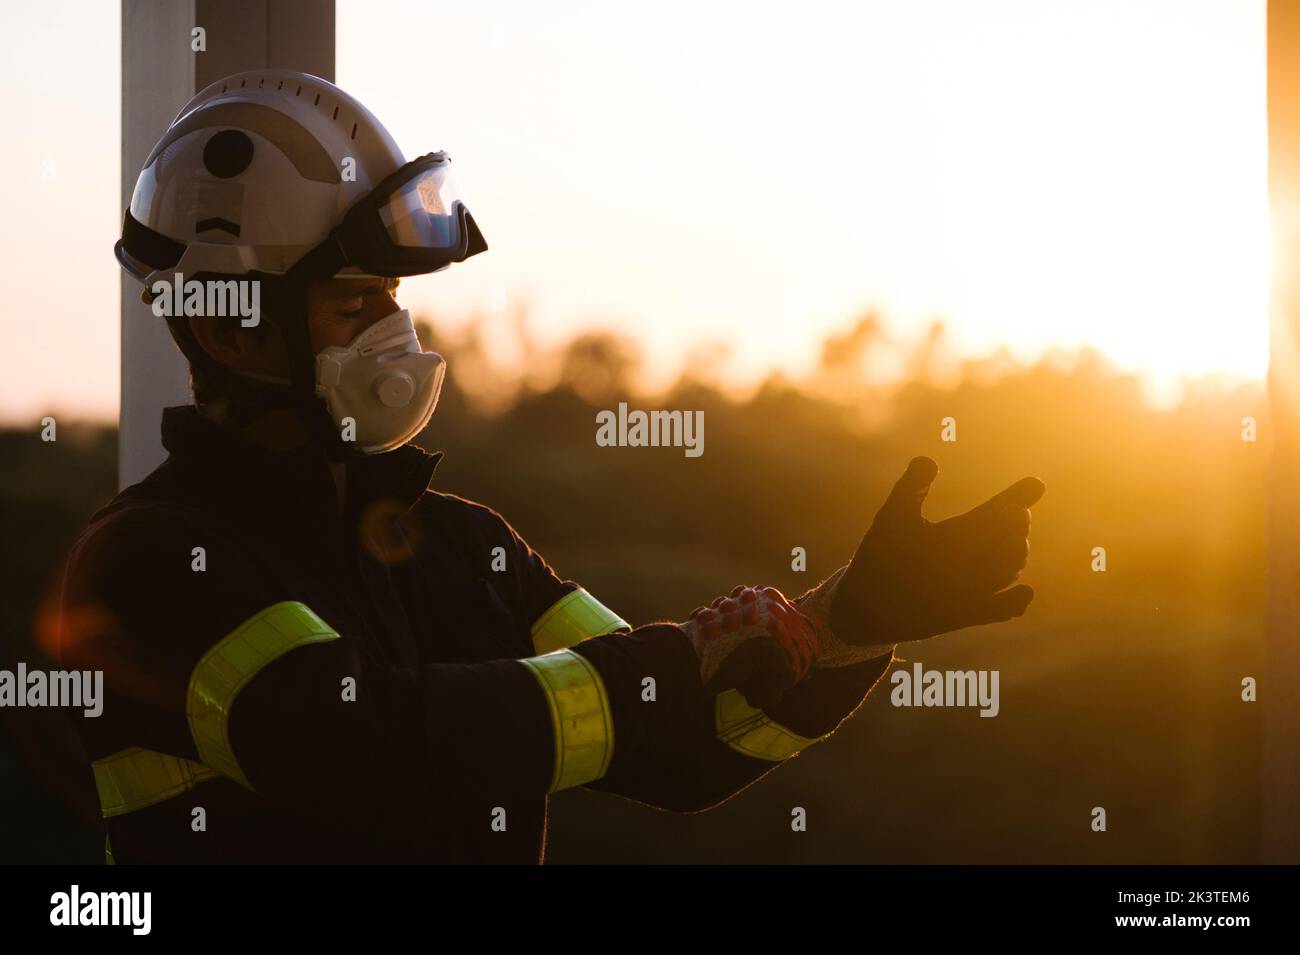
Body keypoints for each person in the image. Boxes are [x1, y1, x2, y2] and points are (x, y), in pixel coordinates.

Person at [57, 70, 1043, 863]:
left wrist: (842, 629)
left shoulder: (464, 546)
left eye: (395, 299)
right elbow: (350, 745)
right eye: (353, 304)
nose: (395, 334)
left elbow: (681, 752)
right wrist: (662, 669)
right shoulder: (148, 563)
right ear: (231, 332)